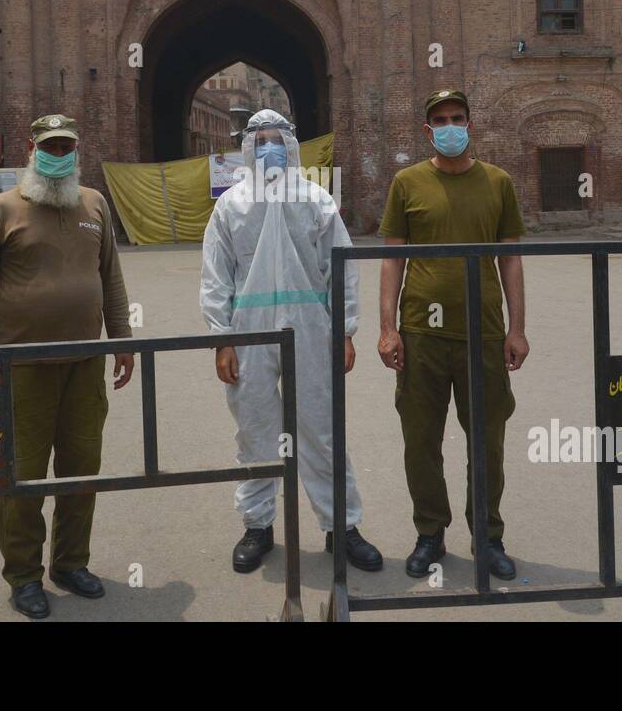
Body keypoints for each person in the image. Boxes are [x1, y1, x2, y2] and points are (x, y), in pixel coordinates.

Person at [0, 113, 135, 619]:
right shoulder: (2, 209)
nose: (59, 154)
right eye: (50, 146)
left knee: (82, 470)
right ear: (32, 148)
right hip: (22, 368)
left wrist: (122, 341)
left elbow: (112, 280)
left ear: (77, 150)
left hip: (86, 364)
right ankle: (23, 575)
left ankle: (70, 563)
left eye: (67, 146)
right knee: (22, 477)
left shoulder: (94, 204)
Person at [200, 109, 382, 574]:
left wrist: (344, 330)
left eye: (275, 138)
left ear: (291, 143)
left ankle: (341, 526)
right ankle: (257, 526)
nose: (268, 146)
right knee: (256, 430)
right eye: (259, 139)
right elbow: (216, 276)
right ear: (247, 146)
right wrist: (222, 339)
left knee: (321, 428)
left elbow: (341, 267)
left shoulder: (316, 200)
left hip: (311, 326)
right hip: (250, 330)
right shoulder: (232, 204)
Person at [377, 89, 528, 581]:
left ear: (470, 123)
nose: (449, 126)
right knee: (420, 439)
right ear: (427, 131)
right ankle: (429, 533)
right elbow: (392, 258)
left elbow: (510, 259)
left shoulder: (497, 183)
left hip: (482, 331)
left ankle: (487, 536)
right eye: (439, 119)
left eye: (457, 118)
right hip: (422, 330)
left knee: (487, 439)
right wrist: (387, 328)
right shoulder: (407, 183)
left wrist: (517, 329)